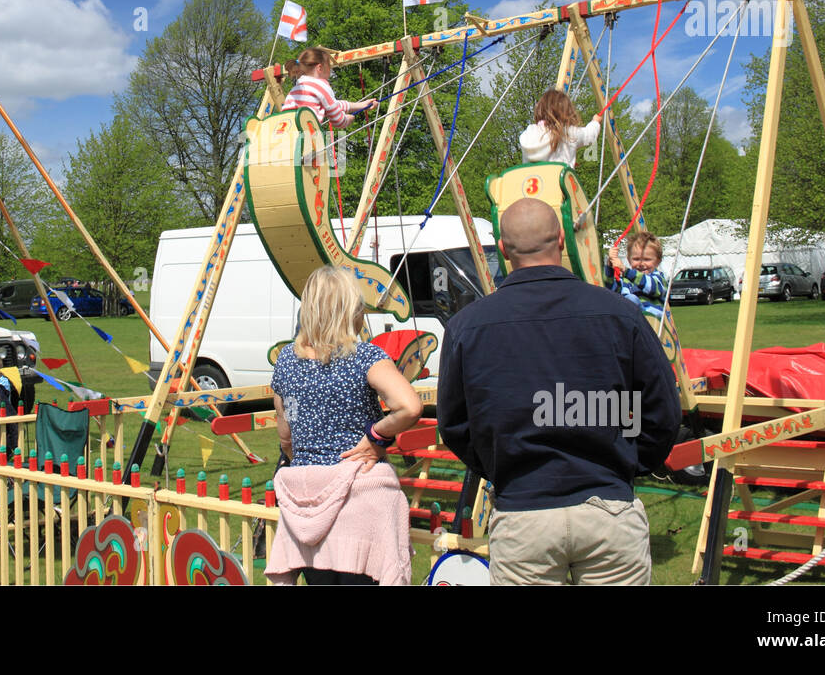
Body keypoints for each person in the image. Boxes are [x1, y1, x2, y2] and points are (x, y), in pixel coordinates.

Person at [437, 198, 680, 585]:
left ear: (503, 249)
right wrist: (628, 459)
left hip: (525, 515)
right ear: (562, 240)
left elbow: (454, 424)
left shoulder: (468, 326)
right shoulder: (619, 313)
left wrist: (501, 466)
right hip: (606, 508)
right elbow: (662, 411)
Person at [265, 266, 422, 585]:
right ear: (352, 311)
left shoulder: (286, 361)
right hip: (362, 502)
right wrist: (377, 435)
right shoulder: (365, 357)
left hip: (307, 509)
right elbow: (410, 406)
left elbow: (286, 435)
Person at [281, 47, 376, 129]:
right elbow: (338, 121)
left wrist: (362, 105)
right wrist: (348, 120)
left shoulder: (296, 90)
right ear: (320, 68)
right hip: (304, 140)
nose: (330, 72)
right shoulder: (321, 86)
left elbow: (334, 105)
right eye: (329, 67)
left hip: (285, 135)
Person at [519, 88, 601, 167]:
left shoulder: (529, 132)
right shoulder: (568, 133)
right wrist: (595, 122)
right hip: (557, 180)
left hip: (533, 179)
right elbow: (589, 135)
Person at [607, 232, 668, 321]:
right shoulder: (625, 280)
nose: (641, 264)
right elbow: (610, 290)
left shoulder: (659, 279)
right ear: (629, 259)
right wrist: (610, 266)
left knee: (632, 300)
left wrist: (626, 271)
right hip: (631, 320)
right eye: (636, 259)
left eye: (647, 259)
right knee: (627, 300)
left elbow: (652, 287)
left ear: (658, 261)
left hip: (654, 320)